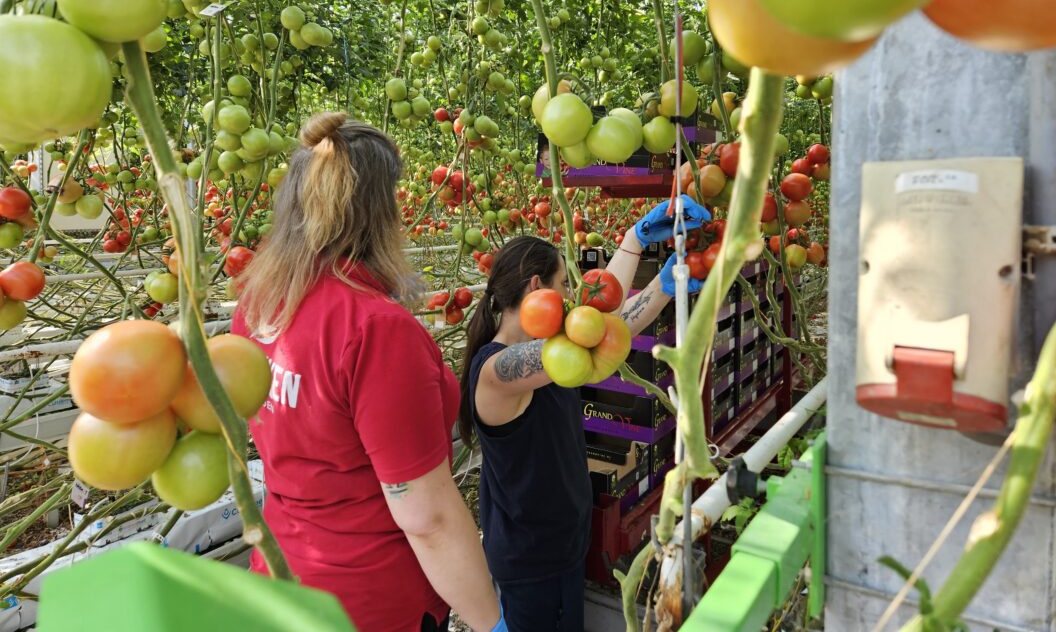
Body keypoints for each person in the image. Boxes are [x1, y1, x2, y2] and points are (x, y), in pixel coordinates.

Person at [232, 112, 507, 632]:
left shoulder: (257, 307)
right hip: (370, 601)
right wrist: (492, 620)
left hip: (281, 577)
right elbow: (427, 518)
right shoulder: (376, 330)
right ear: (380, 212)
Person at [458, 196, 710, 632]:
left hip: (560, 546)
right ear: (538, 287)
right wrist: (632, 249)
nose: (571, 297)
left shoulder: (551, 355)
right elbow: (591, 335)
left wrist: (655, 280)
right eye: (562, 285)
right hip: (532, 561)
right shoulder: (496, 371)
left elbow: (608, 331)